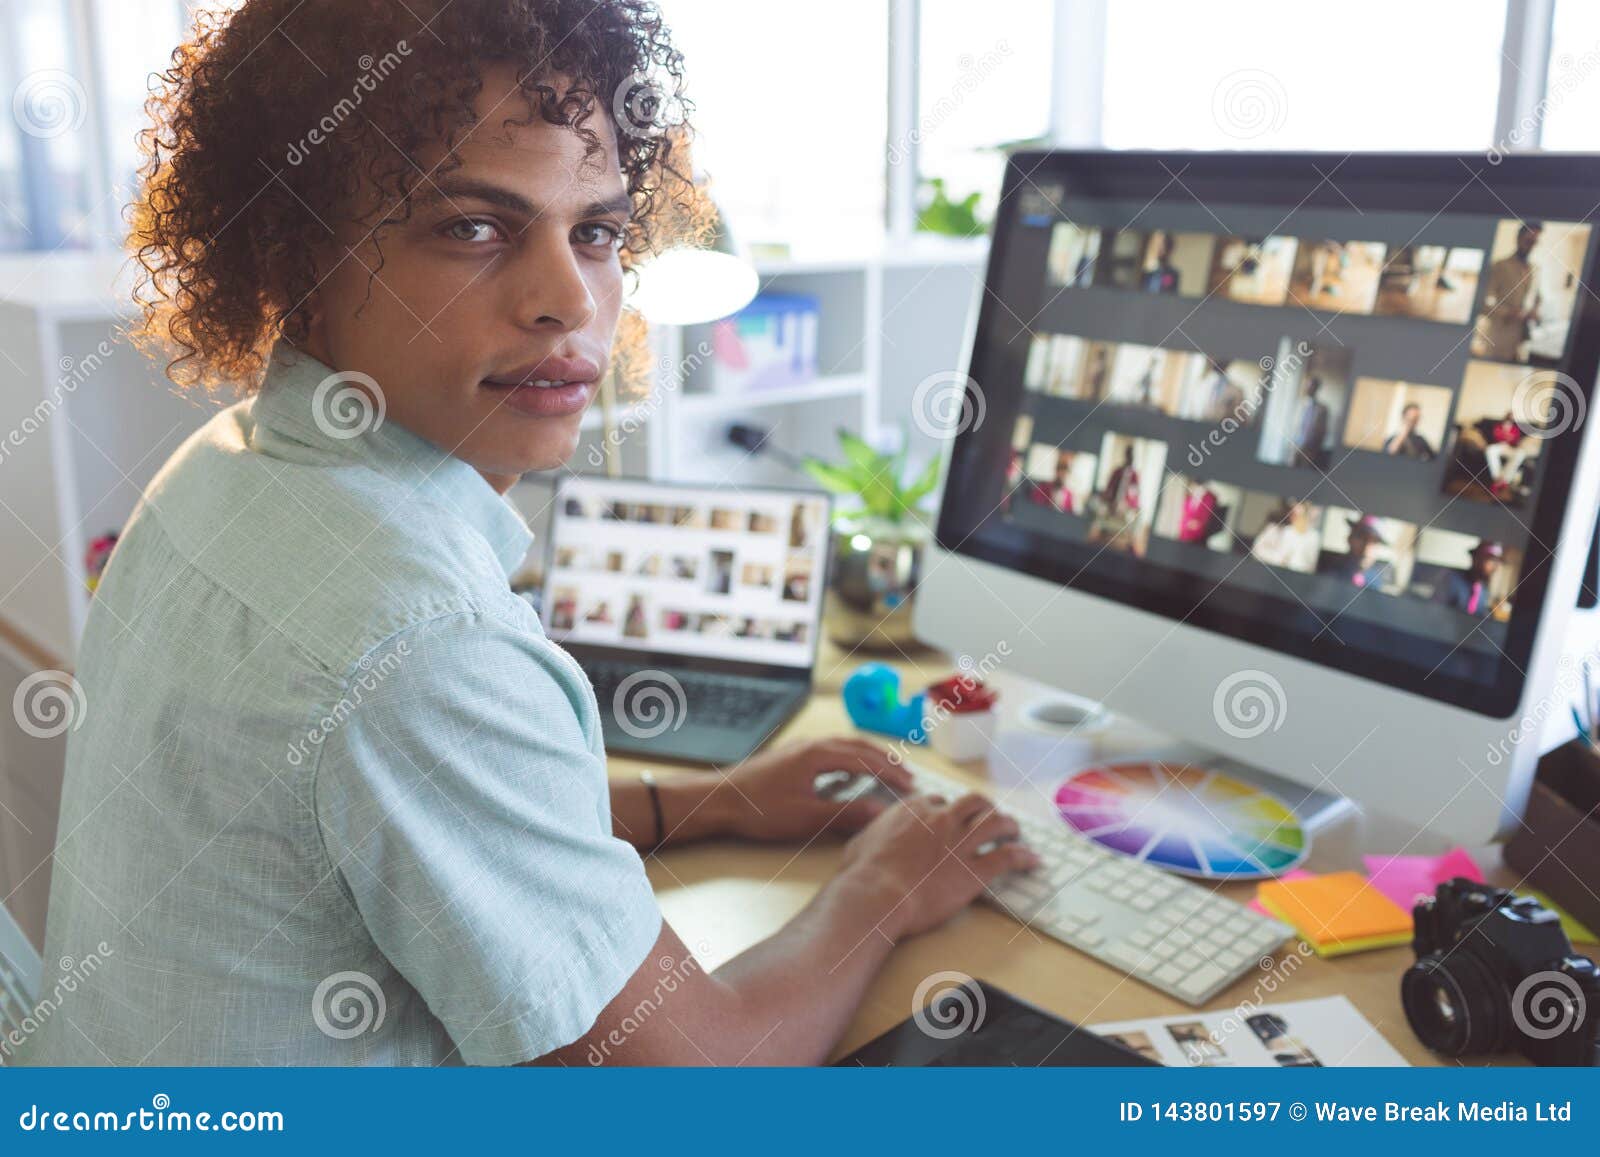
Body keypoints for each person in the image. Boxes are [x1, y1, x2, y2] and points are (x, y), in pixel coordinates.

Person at [19, 0, 1039, 1069]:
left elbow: (406, 815)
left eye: (596, 231)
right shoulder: (418, 642)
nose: (570, 300)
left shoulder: (225, 470)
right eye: (472, 226)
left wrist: (710, 802)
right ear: (295, 259)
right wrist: (884, 887)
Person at [1476, 221, 1543, 362]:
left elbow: (1538, 297)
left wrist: (1535, 310)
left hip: (1522, 340)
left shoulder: (1535, 270)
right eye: (1528, 240)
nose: (1531, 245)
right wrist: (1507, 313)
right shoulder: (1499, 266)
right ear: (1518, 238)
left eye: (1535, 242)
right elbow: (1483, 303)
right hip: (1500, 338)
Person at [1432, 541, 1506, 618]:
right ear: (1476, 559)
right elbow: (1434, 613)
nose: (1495, 567)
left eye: (1497, 562)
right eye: (1492, 560)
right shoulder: (1451, 579)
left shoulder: (1484, 590)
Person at [1319, 515, 1392, 590]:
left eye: (1374, 542)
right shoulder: (1327, 573)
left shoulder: (1376, 582)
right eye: (1362, 537)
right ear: (1350, 538)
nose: (1366, 548)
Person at [1250, 500, 1321, 573]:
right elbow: (1257, 550)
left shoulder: (1313, 536)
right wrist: (1279, 560)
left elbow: (1310, 566)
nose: (1296, 516)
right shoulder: (1274, 529)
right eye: (1293, 512)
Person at [1483, 411, 1530, 499]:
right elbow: (1494, 436)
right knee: (1490, 450)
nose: (1510, 419)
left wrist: (1510, 442)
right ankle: (1498, 479)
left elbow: (1516, 440)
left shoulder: (1516, 429)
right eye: (1509, 417)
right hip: (1499, 446)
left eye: (1512, 418)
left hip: (1509, 448)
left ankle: (1502, 481)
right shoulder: (1498, 426)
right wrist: (1503, 439)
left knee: (1521, 453)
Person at [1289, 377, 1330, 469]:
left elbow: (1323, 431)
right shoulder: (1299, 404)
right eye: (1307, 386)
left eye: (1311, 386)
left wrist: (1314, 450)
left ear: (1317, 388)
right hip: (1295, 446)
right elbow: (1294, 425)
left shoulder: (1323, 409)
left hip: (1310, 450)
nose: (1308, 388)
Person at [1176, 479, 1217, 544]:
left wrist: (1196, 524)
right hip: (1183, 534)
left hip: (1198, 538)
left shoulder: (1210, 498)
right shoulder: (1188, 498)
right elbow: (1183, 518)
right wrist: (1187, 523)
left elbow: (1206, 520)